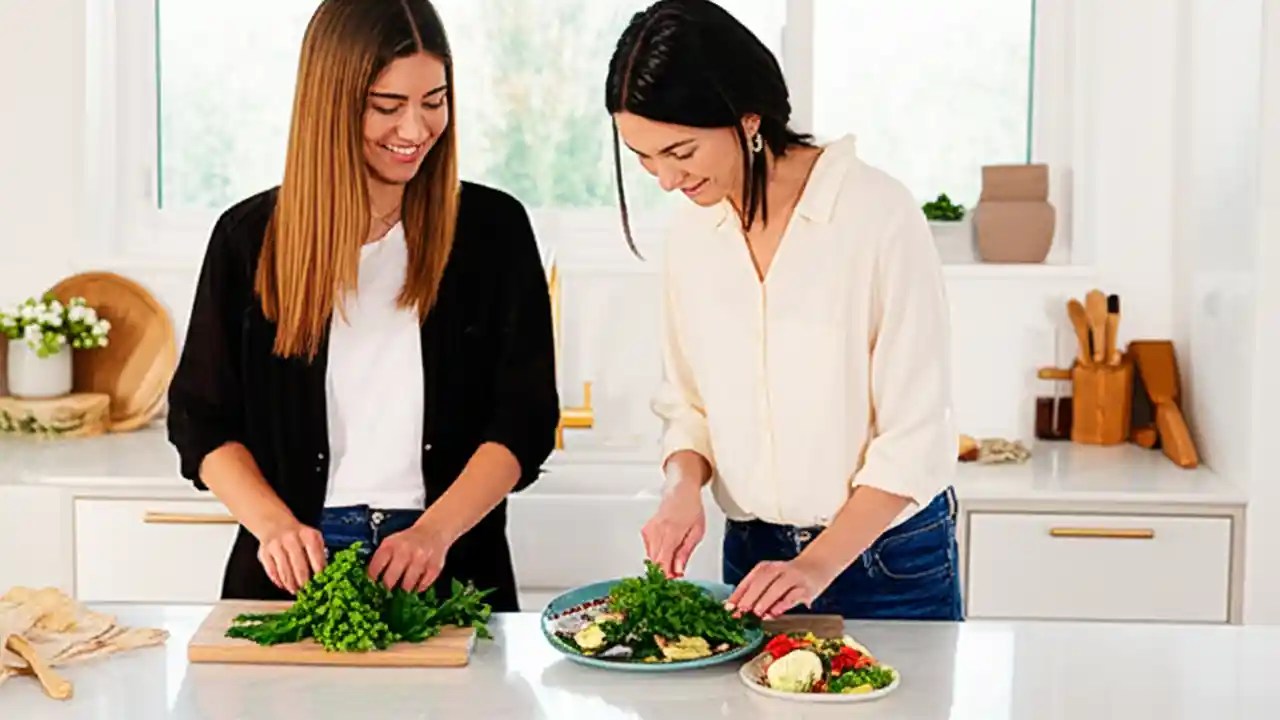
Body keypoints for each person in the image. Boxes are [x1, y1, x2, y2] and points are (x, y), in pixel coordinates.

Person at [166, 0, 558, 612]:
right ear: (331, 103)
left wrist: (434, 531)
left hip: (449, 564)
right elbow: (202, 419)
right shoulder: (247, 239)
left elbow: (524, 420)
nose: (416, 129)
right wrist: (274, 526)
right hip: (291, 577)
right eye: (387, 106)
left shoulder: (493, 232)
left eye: (434, 101)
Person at [605, 0, 962, 621]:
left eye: (681, 152)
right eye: (645, 159)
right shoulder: (694, 232)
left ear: (748, 119)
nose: (665, 179)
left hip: (887, 560)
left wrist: (818, 564)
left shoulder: (877, 214)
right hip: (755, 556)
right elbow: (688, 403)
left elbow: (916, 437)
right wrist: (682, 487)